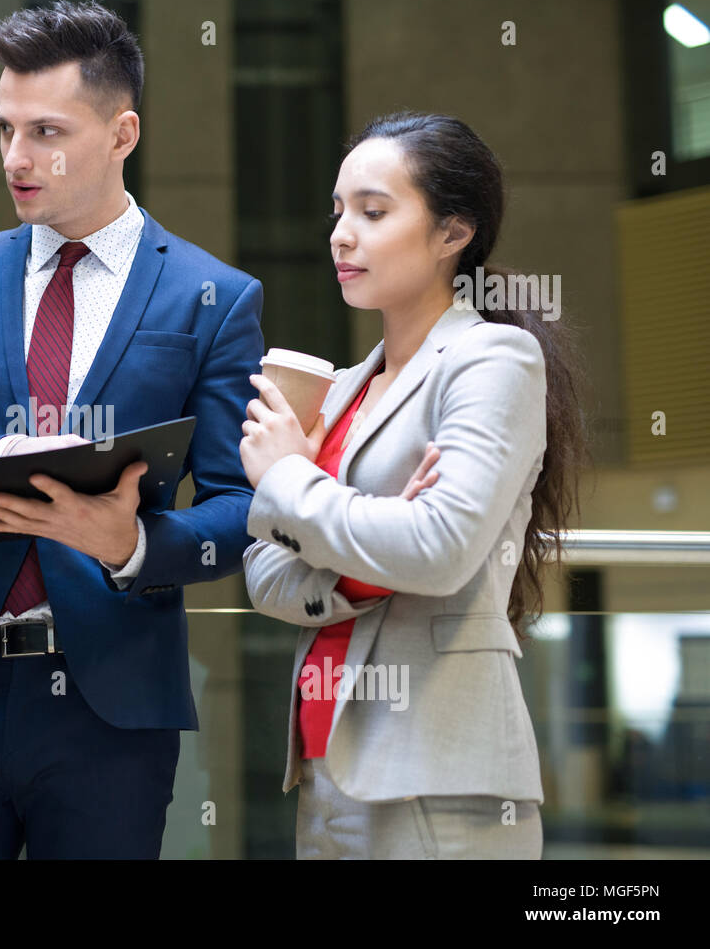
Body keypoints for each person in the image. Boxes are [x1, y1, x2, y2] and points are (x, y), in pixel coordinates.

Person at [0, 0, 263, 858]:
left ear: (122, 133)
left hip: (111, 708)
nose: (16, 158)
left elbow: (240, 510)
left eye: (45, 131)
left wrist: (132, 545)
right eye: (5, 129)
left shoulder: (213, 295)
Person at [240, 111, 586, 859]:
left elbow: (437, 548)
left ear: (452, 233)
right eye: (337, 212)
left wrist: (293, 481)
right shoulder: (340, 390)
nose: (341, 234)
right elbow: (264, 571)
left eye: (373, 211)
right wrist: (371, 555)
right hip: (326, 762)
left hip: (438, 774)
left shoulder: (493, 358)